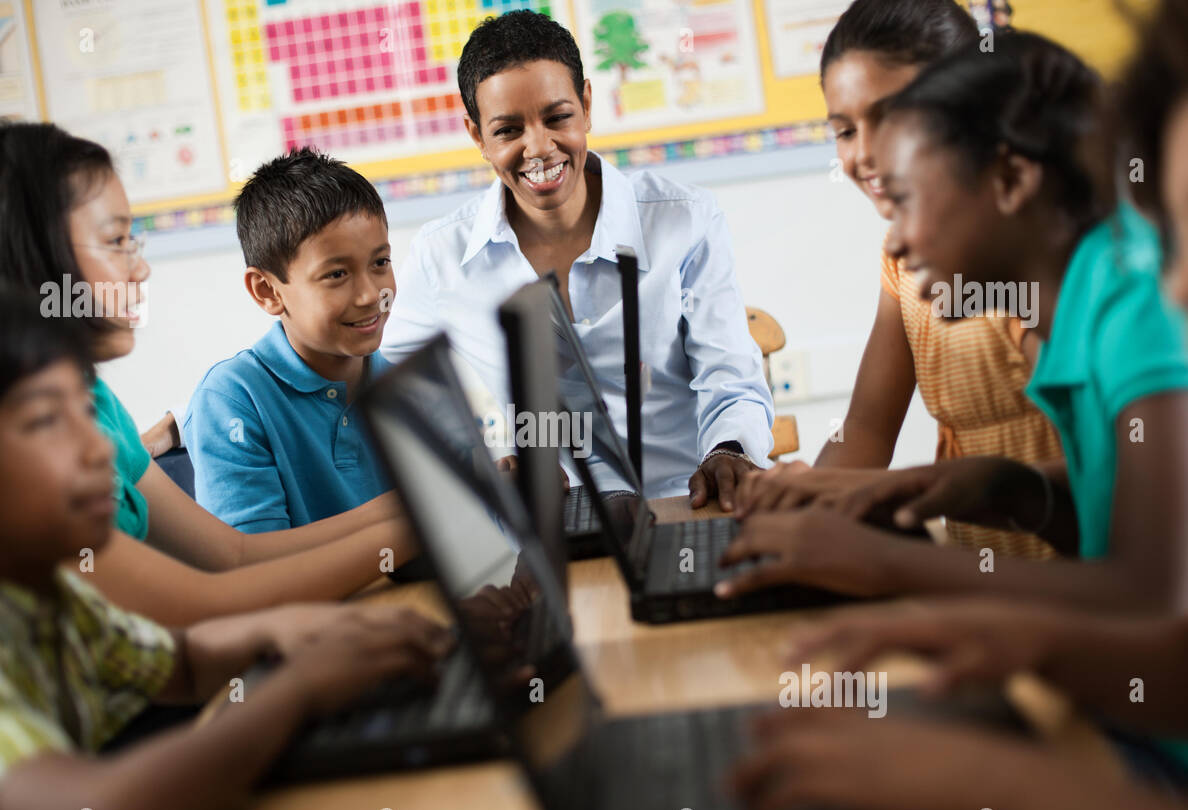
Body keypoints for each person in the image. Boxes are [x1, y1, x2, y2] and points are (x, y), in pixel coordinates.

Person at [0, 286, 451, 810]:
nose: (99, 452)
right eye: (45, 422)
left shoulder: (39, 585)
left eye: (86, 414)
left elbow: (180, 662)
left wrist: (300, 635)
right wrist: (300, 689)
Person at [718, 31, 1188, 613]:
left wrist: (889, 563)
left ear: (1011, 180)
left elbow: (1154, 601)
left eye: (908, 197)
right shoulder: (1078, 302)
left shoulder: (1134, 305)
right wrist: (1005, 486)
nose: (895, 237)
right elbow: (1106, 525)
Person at [0, 120, 417, 626]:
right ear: (29, 257)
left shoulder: (95, 403)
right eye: (117, 241)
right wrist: (417, 524)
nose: (140, 267)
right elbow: (215, 600)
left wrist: (415, 511)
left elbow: (233, 557)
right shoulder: (0, 447)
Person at [382, 11, 776, 509]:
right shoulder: (443, 257)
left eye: (557, 117)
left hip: (684, 503)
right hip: (554, 526)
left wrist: (729, 449)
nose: (539, 147)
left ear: (586, 106)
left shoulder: (685, 221)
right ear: (477, 136)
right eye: (507, 130)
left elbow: (730, 375)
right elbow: (393, 388)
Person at [741, 0, 1062, 561]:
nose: (864, 154)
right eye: (843, 131)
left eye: (890, 118)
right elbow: (865, 426)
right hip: (985, 573)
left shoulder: (1024, 253)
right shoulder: (905, 260)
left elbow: (1108, 473)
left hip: (1070, 579)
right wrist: (811, 493)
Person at [184, 150, 396, 531]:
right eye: (336, 274)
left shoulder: (412, 389)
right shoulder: (232, 399)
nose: (369, 295)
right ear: (267, 291)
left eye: (380, 263)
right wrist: (401, 521)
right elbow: (258, 566)